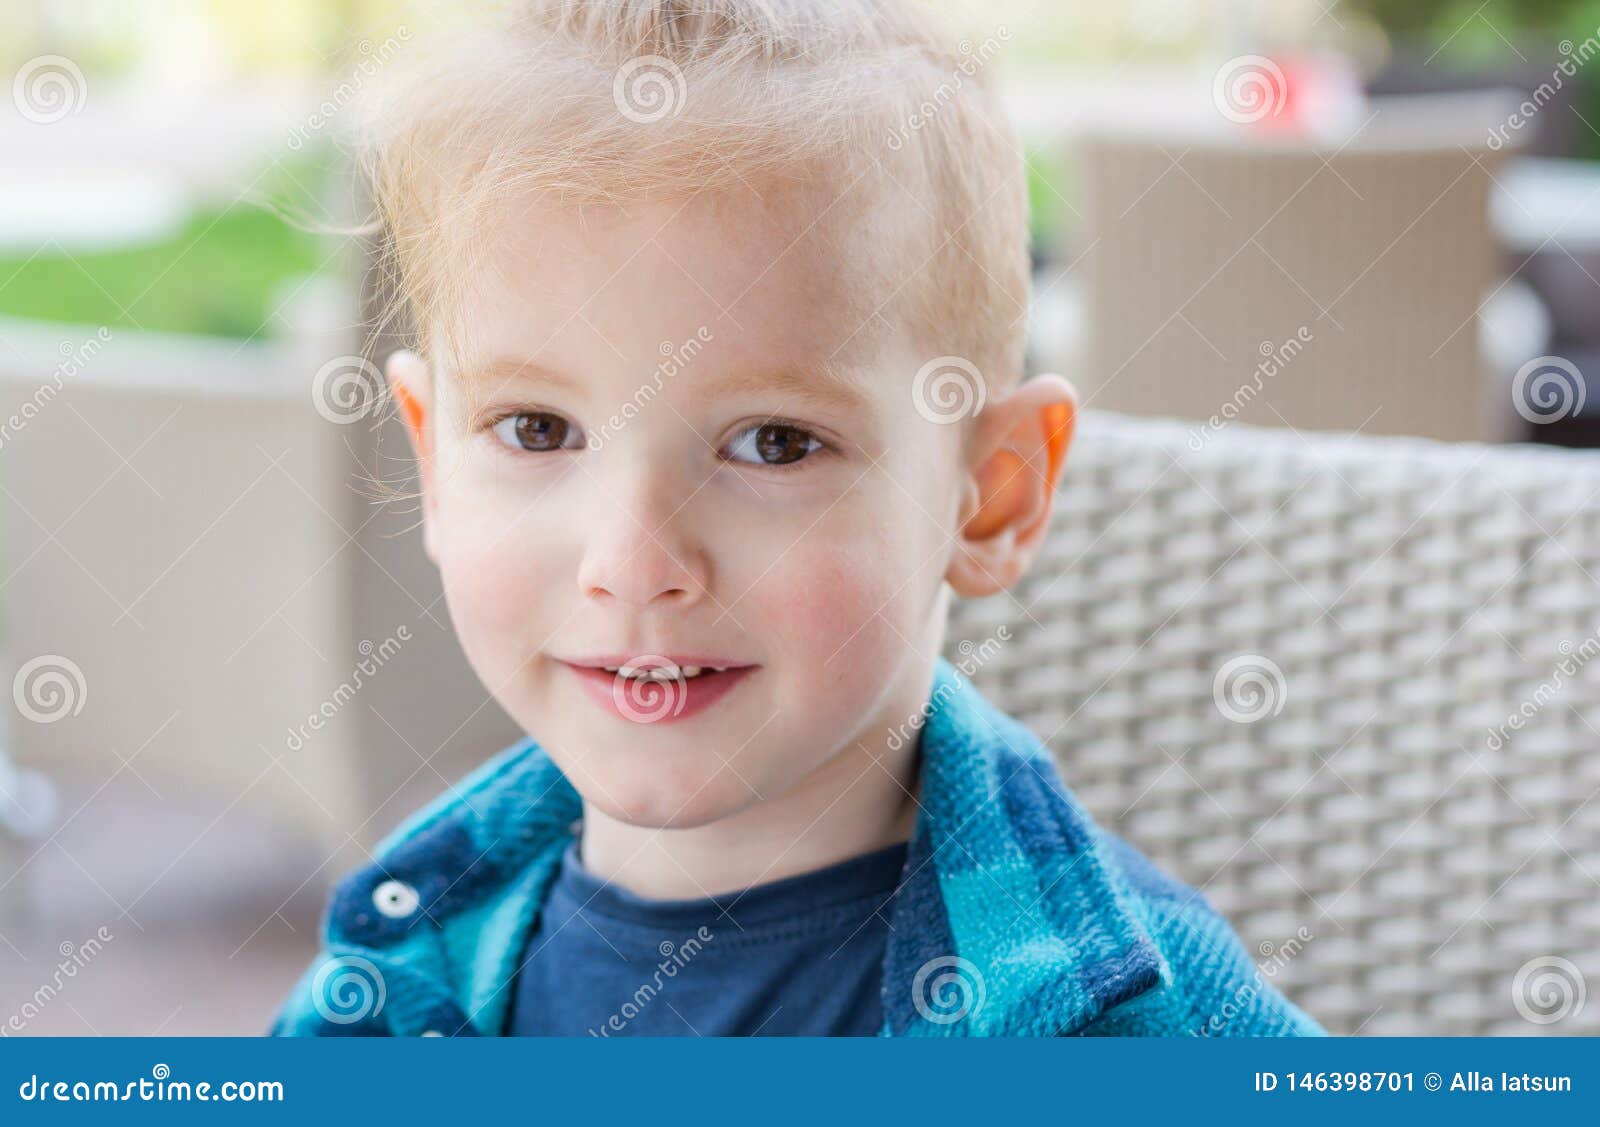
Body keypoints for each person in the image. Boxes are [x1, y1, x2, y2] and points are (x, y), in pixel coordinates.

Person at [271, 0, 1323, 1037]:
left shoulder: (1132, 1020)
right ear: (433, 464)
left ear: (990, 491)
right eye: (537, 429)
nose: (633, 562)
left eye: (773, 442)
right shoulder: (396, 966)